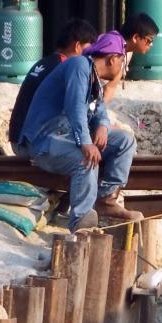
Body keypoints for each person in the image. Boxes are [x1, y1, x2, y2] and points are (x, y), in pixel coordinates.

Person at [18, 30, 142, 231]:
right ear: (112, 59)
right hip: (45, 139)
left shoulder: (93, 76)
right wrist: (86, 143)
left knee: (124, 141)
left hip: (66, 136)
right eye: (122, 62)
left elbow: (99, 107)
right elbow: (75, 106)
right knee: (86, 160)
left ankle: (105, 201)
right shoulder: (79, 66)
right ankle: (81, 222)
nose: (122, 68)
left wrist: (102, 125)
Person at [7, 18, 96, 148]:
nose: (91, 56)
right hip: (29, 143)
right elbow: (76, 108)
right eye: (89, 50)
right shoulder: (63, 68)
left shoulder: (43, 62)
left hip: (17, 136)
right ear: (77, 47)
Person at [103, 11, 160, 107]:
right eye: (149, 40)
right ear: (135, 37)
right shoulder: (113, 48)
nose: (151, 44)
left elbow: (110, 88)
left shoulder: (124, 49)